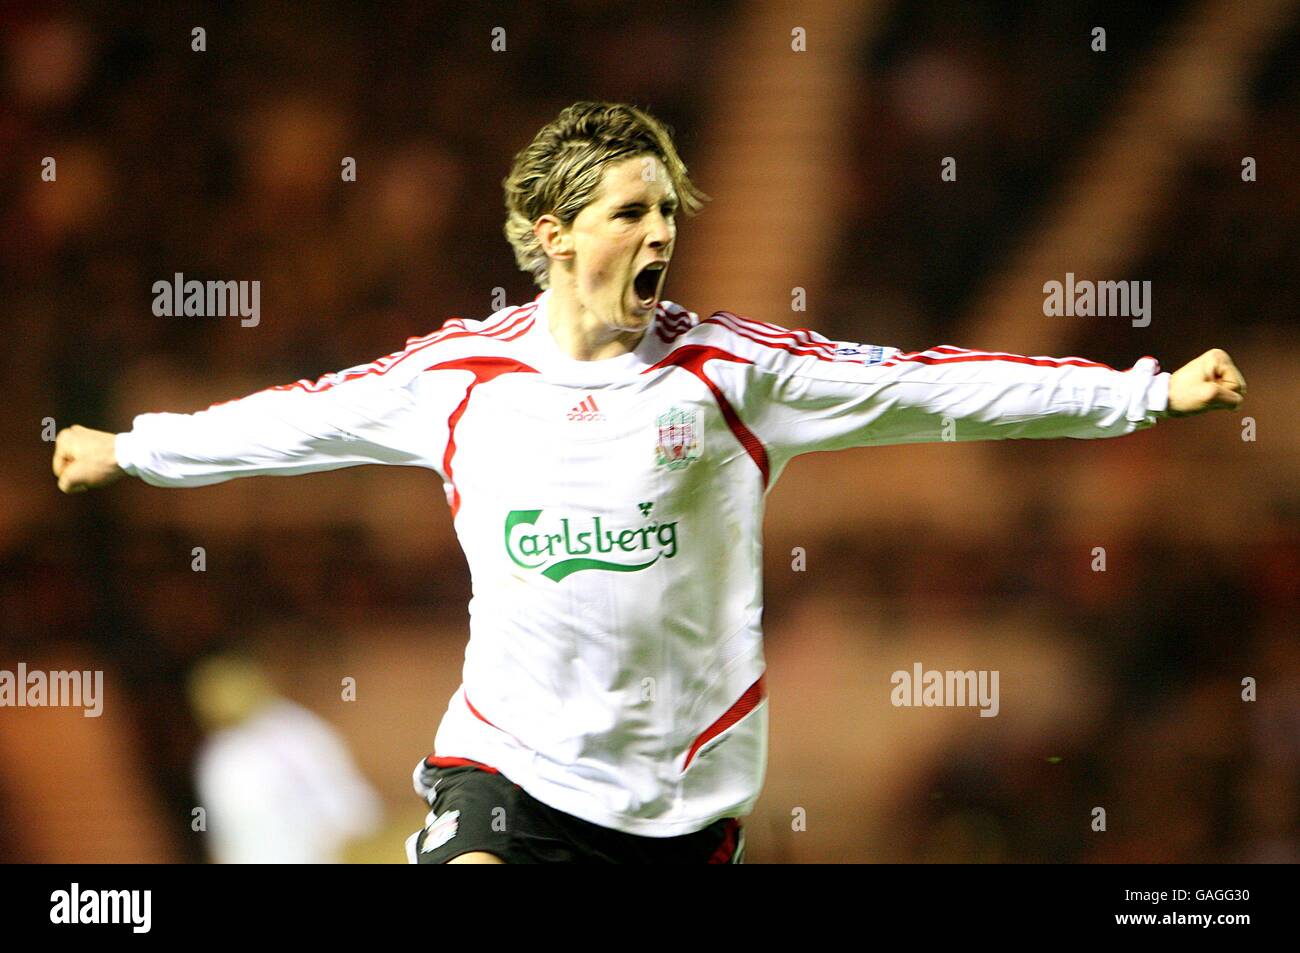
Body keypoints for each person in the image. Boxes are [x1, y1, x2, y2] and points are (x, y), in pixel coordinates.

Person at [52, 101, 1247, 864]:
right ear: (551, 230)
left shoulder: (733, 372)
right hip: (505, 766)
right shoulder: (455, 376)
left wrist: (1140, 392)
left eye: (669, 207)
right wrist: (136, 447)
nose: (661, 230)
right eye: (632, 210)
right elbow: (300, 419)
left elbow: (938, 384)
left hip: (681, 799)